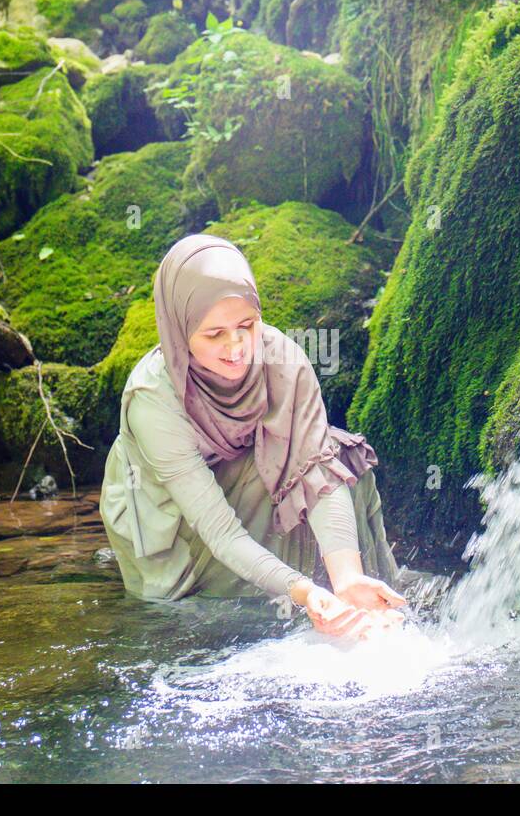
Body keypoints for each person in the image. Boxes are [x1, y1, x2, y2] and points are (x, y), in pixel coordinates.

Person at [99, 233, 407, 640]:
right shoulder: (152, 399)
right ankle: (283, 606)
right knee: (270, 485)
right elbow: (220, 530)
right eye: (214, 335)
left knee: (344, 459)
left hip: (247, 480)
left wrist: (345, 578)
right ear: (179, 331)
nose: (236, 347)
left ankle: (358, 606)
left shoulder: (282, 360)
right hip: (176, 520)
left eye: (247, 325)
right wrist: (303, 590)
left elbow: (319, 474)